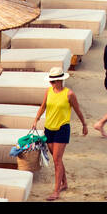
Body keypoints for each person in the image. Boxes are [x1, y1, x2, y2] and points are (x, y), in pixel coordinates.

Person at [30, 67, 88, 200]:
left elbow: (78, 110)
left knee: (56, 160)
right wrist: (36, 119)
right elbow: (43, 106)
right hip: (49, 129)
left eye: (53, 81)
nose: (51, 83)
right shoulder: (48, 91)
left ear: (59, 80)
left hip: (62, 129)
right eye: (50, 81)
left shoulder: (69, 94)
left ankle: (56, 191)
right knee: (57, 159)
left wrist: (84, 125)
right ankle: (65, 182)